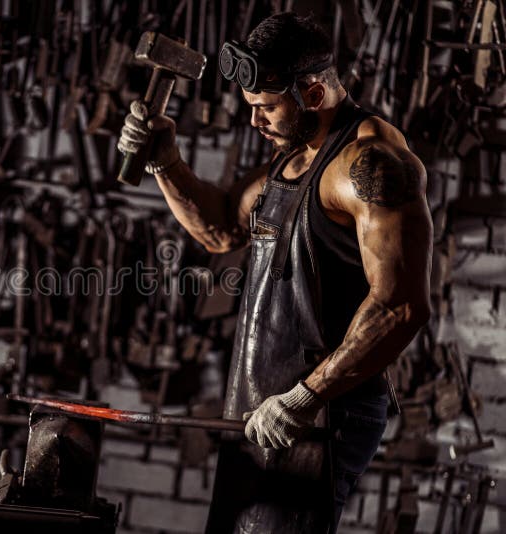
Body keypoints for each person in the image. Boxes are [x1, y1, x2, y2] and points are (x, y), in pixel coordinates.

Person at [117, 12, 432, 534]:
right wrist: (167, 160)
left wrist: (304, 398)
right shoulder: (292, 159)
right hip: (264, 407)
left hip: (321, 414)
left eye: (265, 108)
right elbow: (221, 232)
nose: (254, 122)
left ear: (311, 95)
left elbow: (400, 306)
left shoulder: (370, 165)